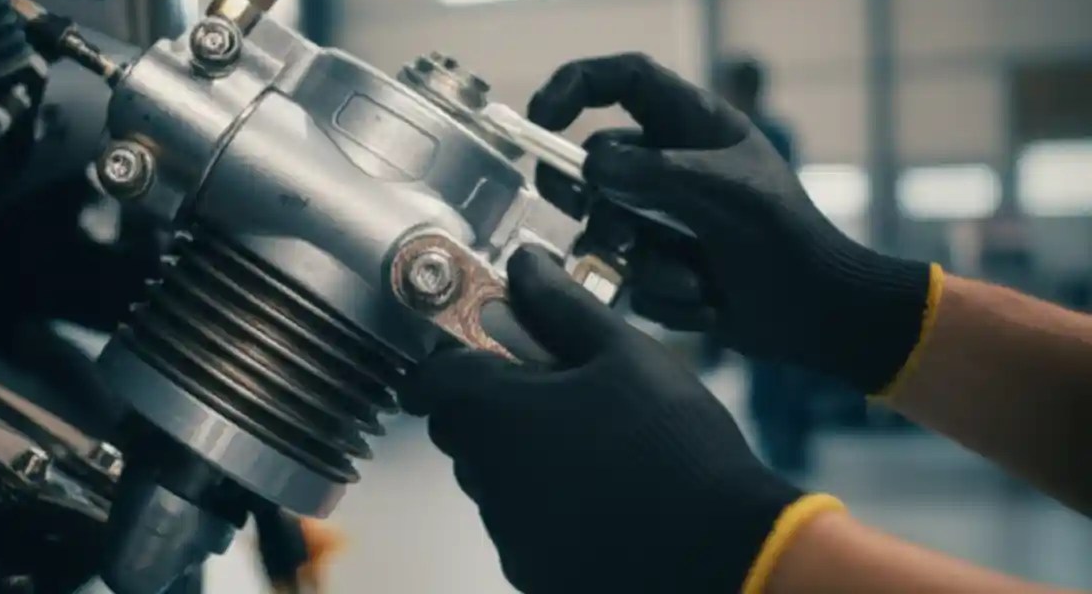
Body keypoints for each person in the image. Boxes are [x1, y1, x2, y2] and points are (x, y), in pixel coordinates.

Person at [401, 53, 1092, 594]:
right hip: (762, 309)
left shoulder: (780, 131)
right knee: (773, 386)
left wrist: (727, 545)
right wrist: (852, 304)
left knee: (776, 397)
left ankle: (785, 450)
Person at [714, 57, 819, 472]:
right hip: (779, 255)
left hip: (763, 258)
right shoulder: (777, 134)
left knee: (770, 359)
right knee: (781, 358)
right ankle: (787, 447)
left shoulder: (745, 135)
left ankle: (784, 447)